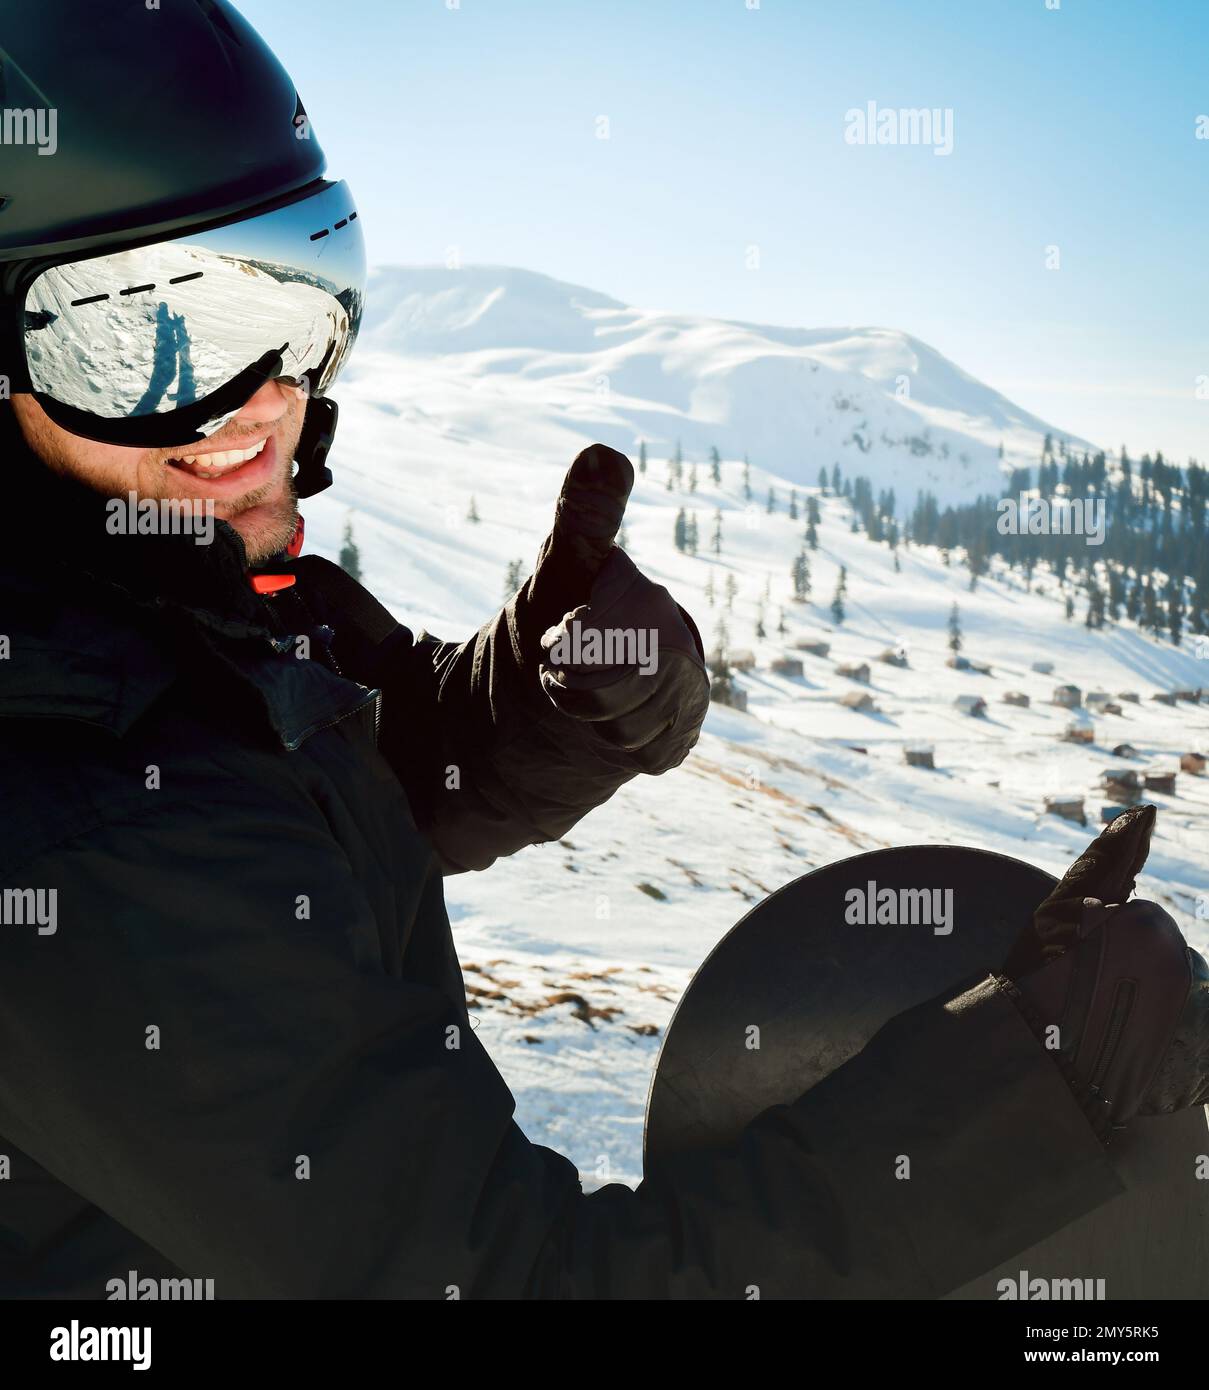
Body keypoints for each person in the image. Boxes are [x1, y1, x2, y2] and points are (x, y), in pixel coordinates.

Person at [0, 0, 1205, 1300]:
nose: (258, 399)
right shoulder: (76, 809)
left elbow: (319, 797)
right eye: (135, 337)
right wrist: (1027, 1082)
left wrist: (539, 699)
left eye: (299, 289)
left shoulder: (149, 613)